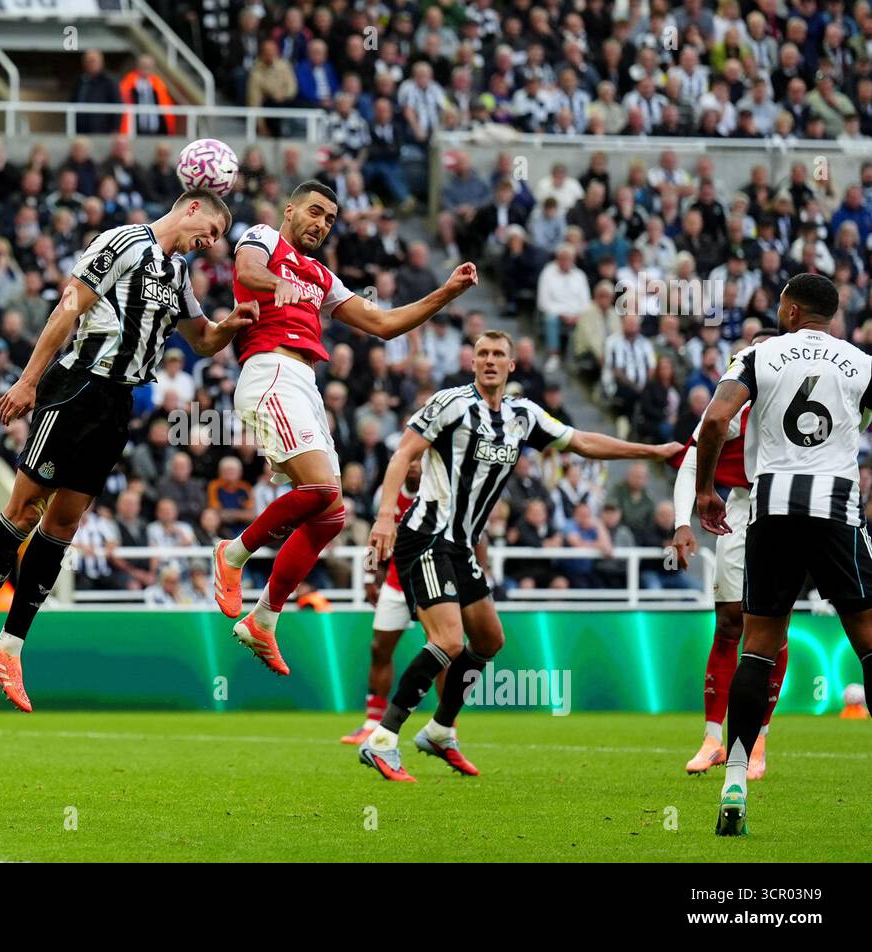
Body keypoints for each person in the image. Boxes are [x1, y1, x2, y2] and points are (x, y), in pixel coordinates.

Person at [0, 190, 257, 712]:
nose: (210, 244)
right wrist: (29, 381)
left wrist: (227, 327)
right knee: (24, 509)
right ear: (193, 209)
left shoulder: (178, 274)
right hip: (77, 387)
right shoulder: (122, 242)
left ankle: (11, 645)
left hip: (119, 404)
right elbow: (68, 306)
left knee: (64, 524)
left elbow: (200, 340)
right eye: (212, 231)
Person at [358, 330, 680, 781]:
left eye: (498, 355)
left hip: (462, 545)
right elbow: (403, 454)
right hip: (426, 535)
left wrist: (650, 451)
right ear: (472, 362)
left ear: (512, 365)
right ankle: (383, 739)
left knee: (488, 641)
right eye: (483, 353)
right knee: (449, 642)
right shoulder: (451, 403)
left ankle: (439, 731)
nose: (489, 360)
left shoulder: (522, 415)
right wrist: (384, 517)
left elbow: (582, 441)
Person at [212, 181, 478, 678]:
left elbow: (382, 324)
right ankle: (232, 553)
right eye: (315, 212)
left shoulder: (321, 275)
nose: (322, 223)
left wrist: (446, 292)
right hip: (269, 368)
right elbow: (247, 271)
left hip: (304, 383)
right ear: (290, 209)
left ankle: (264, 619)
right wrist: (283, 286)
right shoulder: (264, 237)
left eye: (330, 218)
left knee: (331, 514)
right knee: (318, 488)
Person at [695, 273, 872, 836]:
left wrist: (704, 491)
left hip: (770, 510)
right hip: (838, 513)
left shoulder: (756, 356)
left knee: (759, 647)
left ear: (793, 311)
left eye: (779, 305)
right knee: (869, 643)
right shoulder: (861, 362)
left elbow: (716, 420)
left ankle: (737, 779)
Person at [670, 330, 787, 780]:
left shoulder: (794, 399)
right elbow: (692, 458)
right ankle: (712, 738)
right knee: (728, 624)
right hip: (740, 511)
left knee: (773, 629)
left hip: (790, 511)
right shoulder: (730, 400)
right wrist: (683, 522)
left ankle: (758, 740)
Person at [340, 456, 446, 745]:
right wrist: (369, 577)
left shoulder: (438, 491)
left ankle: (445, 727)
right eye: (408, 461)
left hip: (431, 583)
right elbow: (377, 537)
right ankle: (372, 722)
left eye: (418, 461)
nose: (413, 466)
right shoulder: (386, 496)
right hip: (396, 582)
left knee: (444, 651)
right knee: (379, 649)